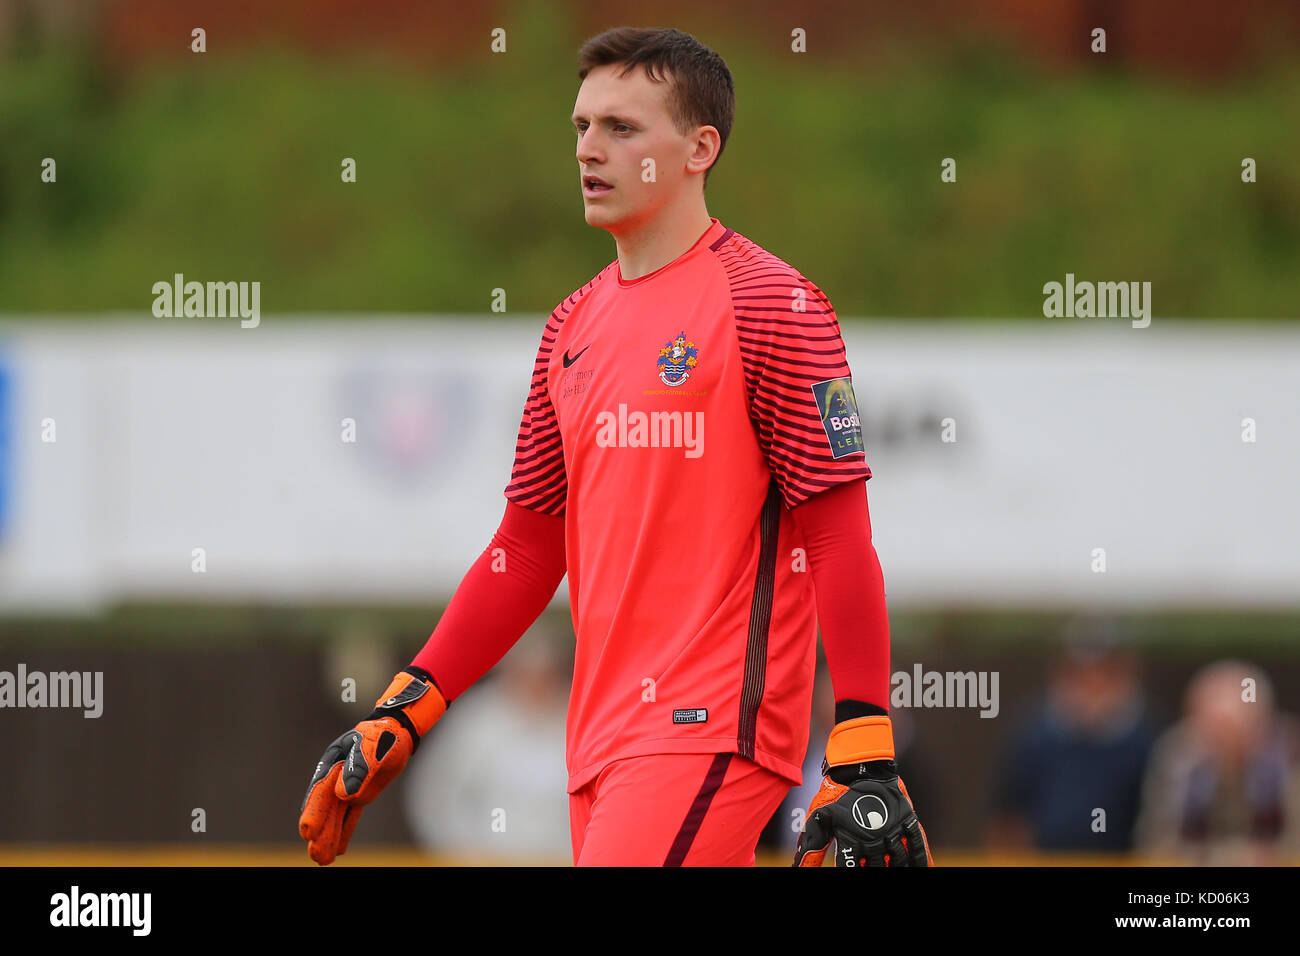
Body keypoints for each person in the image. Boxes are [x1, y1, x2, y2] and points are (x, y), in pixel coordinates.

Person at [299, 25, 930, 868]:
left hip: (711, 728)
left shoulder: (774, 304)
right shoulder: (570, 324)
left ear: (700, 149)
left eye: (621, 128)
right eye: (582, 126)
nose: (588, 149)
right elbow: (527, 551)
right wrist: (406, 707)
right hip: (597, 744)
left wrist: (863, 739)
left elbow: (840, 536)